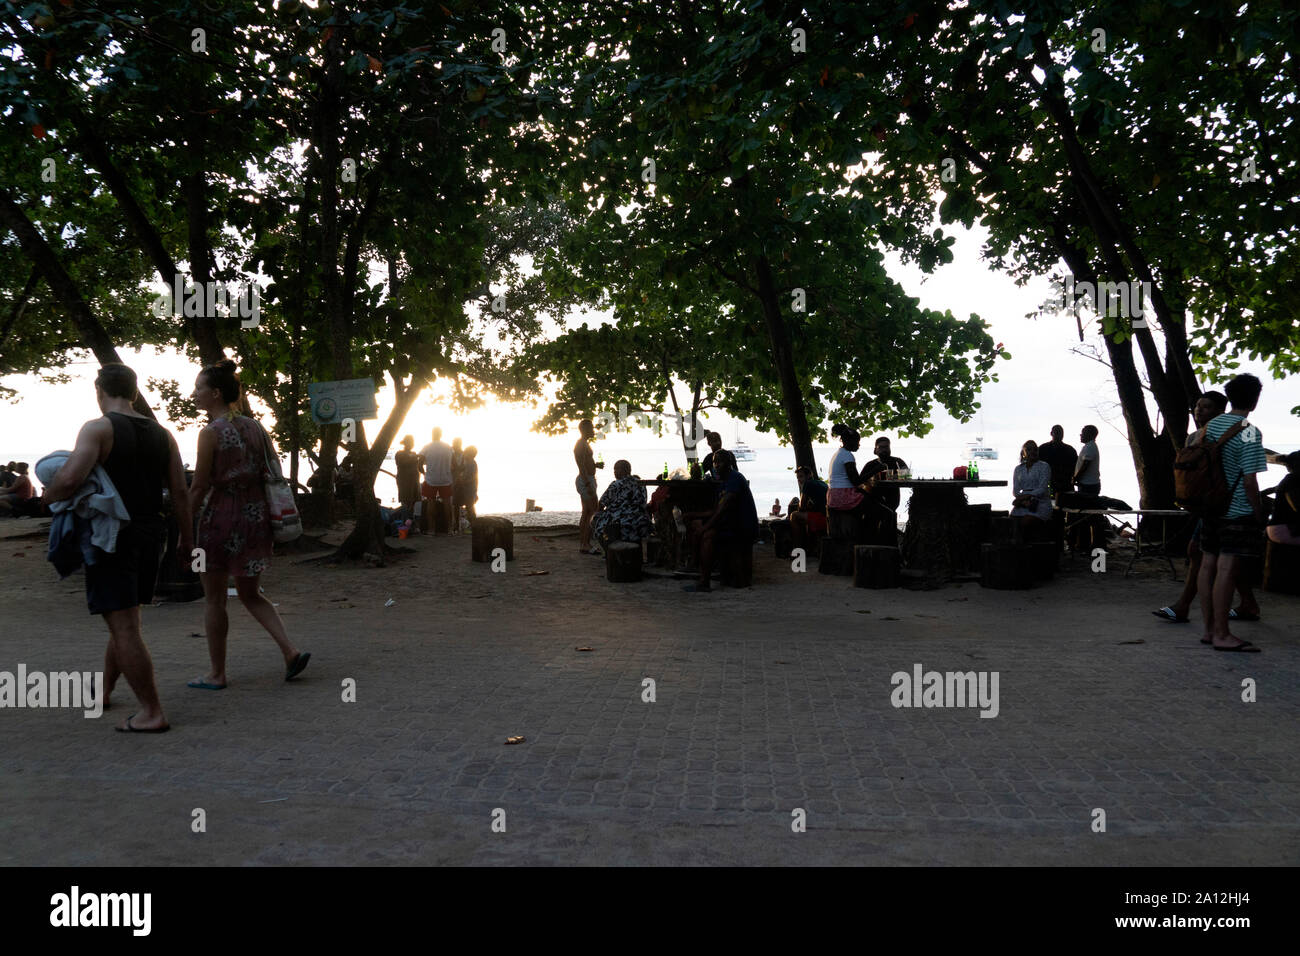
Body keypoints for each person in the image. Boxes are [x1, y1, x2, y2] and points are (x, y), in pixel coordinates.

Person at [40, 363, 191, 732]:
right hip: (152, 531)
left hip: (113, 537)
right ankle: (104, 690)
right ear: (135, 393)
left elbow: (71, 478)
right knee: (127, 617)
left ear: (99, 391)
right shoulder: (164, 434)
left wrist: (47, 498)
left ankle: (151, 711)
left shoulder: (98, 428)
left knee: (123, 625)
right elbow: (181, 491)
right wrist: (189, 539)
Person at [188, 360, 310, 689]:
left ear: (215, 393)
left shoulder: (210, 433)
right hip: (256, 517)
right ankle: (290, 651)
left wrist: (183, 522)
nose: (195, 394)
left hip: (220, 518)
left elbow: (199, 486)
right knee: (251, 592)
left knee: (213, 598)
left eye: (199, 388)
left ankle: (217, 673)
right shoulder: (255, 428)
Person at [1152, 391, 1260, 623]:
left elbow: (1242, 476)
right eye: (1198, 406)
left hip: (1222, 506)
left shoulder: (1229, 434)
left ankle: (1190, 610)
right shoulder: (1196, 437)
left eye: (1207, 407)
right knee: (1219, 557)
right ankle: (1247, 604)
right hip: (1208, 506)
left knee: (1205, 555)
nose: (1199, 410)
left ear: (1220, 410)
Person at [1197, 373, 1267, 652]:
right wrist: (1259, 512)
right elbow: (1250, 481)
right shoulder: (1249, 430)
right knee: (1227, 568)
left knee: (1206, 565)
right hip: (1236, 510)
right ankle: (1223, 635)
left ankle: (1209, 630)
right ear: (1255, 399)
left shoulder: (1209, 427)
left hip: (1210, 507)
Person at [683, 451, 758, 592]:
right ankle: (694, 562)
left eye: (719, 462)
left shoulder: (735, 479)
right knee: (696, 524)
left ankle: (704, 581)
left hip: (742, 526)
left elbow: (721, 510)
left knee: (707, 535)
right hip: (731, 523)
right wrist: (692, 515)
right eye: (714, 462)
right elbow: (715, 510)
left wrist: (704, 529)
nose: (716, 466)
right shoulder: (723, 482)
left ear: (729, 464)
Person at [591, 459, 653, 547]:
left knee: (595, 518)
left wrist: (602, 513)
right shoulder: (641, 484)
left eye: (616, 469)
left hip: (620, 525)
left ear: (624, 470)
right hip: (640, 523)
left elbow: (601, 504)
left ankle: (608, 550)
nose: (614, 472)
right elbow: (644, 501)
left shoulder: (616, 484)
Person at [859, 436, 907, 544]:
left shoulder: (897, 461)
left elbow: (906, 474)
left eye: (887, 447)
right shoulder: (871, 464)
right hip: (873, 501)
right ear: (875, 449)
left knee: (887, 523)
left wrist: (895, 476)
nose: (884, 450)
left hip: (892, 500)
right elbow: (860, 482)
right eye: (881, 447)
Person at [1010, 440, 1053, 538]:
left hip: (1040, 503)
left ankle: (1027, 547)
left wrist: (1027, 496)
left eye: (1035, 449)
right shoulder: (1018, 469)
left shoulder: (1044, 466)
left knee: (1026, 522)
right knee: (1011, 521)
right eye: (1029, 449)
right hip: (1023, 502)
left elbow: (1042, 489)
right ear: (1023, 453)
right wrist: (1023, 500)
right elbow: (1016, 490)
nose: (1032, 452)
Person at [574, 418, 604, 553]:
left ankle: (584, 544)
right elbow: (581, 466)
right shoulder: (580, 445)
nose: (593, 430)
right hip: (586, 481)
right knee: (592, 513)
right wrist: (588, 484)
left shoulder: (584, 444)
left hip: (588, 480)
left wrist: (595, 465)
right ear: (585, 429)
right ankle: (586, 544)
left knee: (586, 513)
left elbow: (586, 462)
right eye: (591, 428)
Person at [419, 427, 455, 534]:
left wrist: (424, 474)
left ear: (432, 434)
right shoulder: (448, 447)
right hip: (446, 479)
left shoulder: (427, 447)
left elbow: (419, 464)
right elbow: (453, 464)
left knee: (431, 503)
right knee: (447, 504)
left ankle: (431, 529)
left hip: (431, 479)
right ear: (441, 435)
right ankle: (449, 529)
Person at [790, 465, 828, 554]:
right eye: (797, 478)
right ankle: (809, 546)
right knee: (804, 516)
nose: (799, 480)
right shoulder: (821, 483)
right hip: (828, 516)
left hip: (821, 517)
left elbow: (801, 507)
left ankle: (797, 549)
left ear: (809, 476)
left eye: (801, 476)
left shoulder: (808, 484)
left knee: (794, 516)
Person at [1037, 425, 1078, 500]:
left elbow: (1075, 468)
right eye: (1057, 432)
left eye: (1061, 433)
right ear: (1051, 433)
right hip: (1048, 485)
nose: (1059, 435)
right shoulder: (1042, 449)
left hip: (1065, 485)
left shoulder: (1070, 450)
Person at [394, 435, 422, 527]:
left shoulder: (414, 454)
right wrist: (415, 458)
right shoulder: (399, 453)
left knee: (413, 502)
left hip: (414, 481)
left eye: (411, 442)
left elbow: (419, 466)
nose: (411, 444)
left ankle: (410, 525)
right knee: (405, 502)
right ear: (405, 444)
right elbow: (401, 463)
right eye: (409, 442)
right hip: (404, 482)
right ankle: (404, 524)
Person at [1073, 425, 1101, 495]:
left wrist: (1075, 478)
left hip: (1088, 485)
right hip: (1089, 484)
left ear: (1089, 434)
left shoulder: (1090, 446)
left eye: (1083, 433)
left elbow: (1085, 465)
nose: (1081, 435)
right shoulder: (1090, 446)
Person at [450, 437, 467, 533]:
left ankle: (464, 524)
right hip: (454, 482)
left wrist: (457, 468)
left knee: (466, 503)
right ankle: (456, 525)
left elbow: (464, 467)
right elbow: (452, 467)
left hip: (463, 482)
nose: (453, 446)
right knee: (455, 504)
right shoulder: (451, 455)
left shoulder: (465, 454)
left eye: (455, 444)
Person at [459, 446, 479, 527]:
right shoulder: (466, 462)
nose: (464, 453)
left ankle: (474, 524)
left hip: (470, 488)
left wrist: (464, 482)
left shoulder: (472, 463)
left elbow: (472, 477)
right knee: (468, 507)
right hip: (466, 488)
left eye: (466, 452)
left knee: (470, 506)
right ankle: (471, 524)